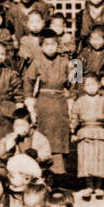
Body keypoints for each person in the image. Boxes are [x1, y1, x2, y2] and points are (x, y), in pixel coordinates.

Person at [23, 31, 73, 175]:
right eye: (46, 44)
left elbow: (75, 82)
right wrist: (29, 101)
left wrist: (72, 99)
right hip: (43, 103)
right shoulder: (37, 61)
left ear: (58, 45)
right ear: (41, 46)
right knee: (43, 136)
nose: (50, 48)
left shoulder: (66, 60)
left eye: (53, 44)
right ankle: (42, 171)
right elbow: (28, 81)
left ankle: (58, 173)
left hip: (60, 103)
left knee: (59, 137)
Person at [69, 71, 104, 196]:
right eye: (88, 85)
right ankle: (89, 186)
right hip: (85, 132)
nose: (91, 88)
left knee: (100, 160)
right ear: (84, 87)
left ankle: (98, 187)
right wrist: (73, 132)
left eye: (94, 84)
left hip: (101, 133)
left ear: (99, 85)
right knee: (87, 160)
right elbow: (74, 117)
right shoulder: (79, 101)